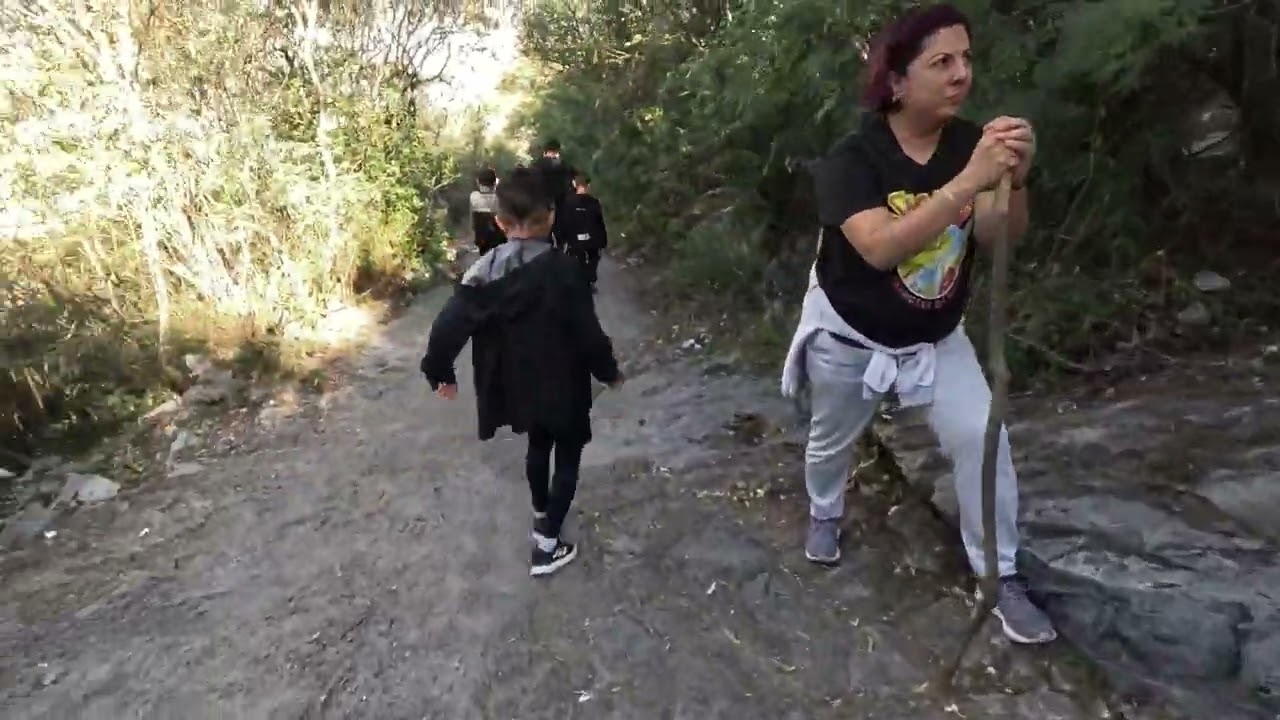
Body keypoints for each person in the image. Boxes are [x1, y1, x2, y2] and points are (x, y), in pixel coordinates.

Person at [779, 4, 1056, 645]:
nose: (962, 74)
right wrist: (970, 182)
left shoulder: (971, 144)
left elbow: (997, 236)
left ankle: (1000, 575)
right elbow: (879, 249)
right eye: (942, 62)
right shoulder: (853, 159)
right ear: (897, 81)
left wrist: (1014, 180)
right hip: (850, 333)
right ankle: (825, 508)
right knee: (830, 441)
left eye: (966, 58)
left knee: (984, 439)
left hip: (936, 334)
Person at [420, 167, 624, 577]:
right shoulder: (566, 270)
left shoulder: (483, 272)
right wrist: (609, 372)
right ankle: (547, 545)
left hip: (517, 384)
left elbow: (447, 326)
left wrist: (439, 371)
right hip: (565, 383)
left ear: (499, 222)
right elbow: (588, 333)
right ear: (550, 215)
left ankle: (538, 510)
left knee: (537, 445)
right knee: (567, 456)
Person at [561, 171, 609, 290]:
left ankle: (580, 280)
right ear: (588, 186)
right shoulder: (594, 202)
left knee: (578, 256)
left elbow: (564, 221)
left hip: (575, 237)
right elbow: (599, 221)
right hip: (592, 237)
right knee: (594, 257)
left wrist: (563, 237)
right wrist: (603, 239)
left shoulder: (568, 202)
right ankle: (589, 280)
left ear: (575, 185)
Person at [531, 139, 575, 248]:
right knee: (560, 228)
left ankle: (547, 249)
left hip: (543, 201)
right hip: (561, 200)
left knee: (545, 229)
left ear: (545, 151)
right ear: (558, 151)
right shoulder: (565, 165)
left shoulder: (537, 165)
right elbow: (574, 180)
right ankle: (559, 249)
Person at [469, 167, 506, 254]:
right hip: (500, 240)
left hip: (482, 241)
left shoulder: (474, 197)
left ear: (478, 182)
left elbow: (472, 224)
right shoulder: (501, 198)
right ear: (494, 183)